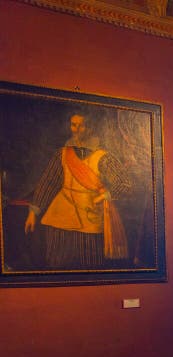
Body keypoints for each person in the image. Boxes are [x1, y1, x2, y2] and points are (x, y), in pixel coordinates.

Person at [24, 112, 131, 269]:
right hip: (60, 216)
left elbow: (125, 183)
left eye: (81, 125)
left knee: (90, 265)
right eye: (73, 124)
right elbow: (48, 182)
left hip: (90, 216)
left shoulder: (103, 157)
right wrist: (33, 212)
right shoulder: (62, 154)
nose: (76, 129)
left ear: (90, 128)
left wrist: (105, 196)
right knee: (57, 263)